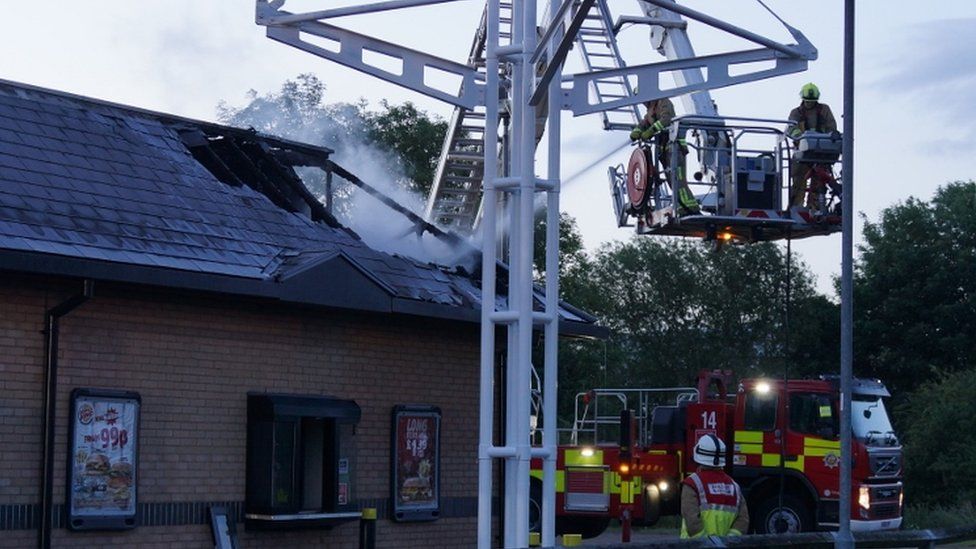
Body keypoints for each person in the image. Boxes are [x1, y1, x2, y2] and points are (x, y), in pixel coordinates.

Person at [630, 94, 700, 215]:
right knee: (672, 182)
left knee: (678, 180)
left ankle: (690, 208)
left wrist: (651, 131)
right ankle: (681, 206)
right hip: (665, 150)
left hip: (675, 147)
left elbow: (666, 119)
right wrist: (637, 131)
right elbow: (645, 122)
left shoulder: (663, 101)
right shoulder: (651, 110)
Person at [680, 434, 749, 538]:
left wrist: (706, 543)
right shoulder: (734, 487)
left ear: (698, 453)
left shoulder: (692, 484)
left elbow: (692, 520)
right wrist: (727, 542)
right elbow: (743, 520)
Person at [787, 83, 837, 208]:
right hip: (802, 153)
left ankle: (814, 208)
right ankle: (796, 207)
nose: (809, 103)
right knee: (799, 181)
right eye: (807, 101)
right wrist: (801, 137)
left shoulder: (824, 110)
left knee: (819, 181)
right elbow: (791, 128)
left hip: (821, 152)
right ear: (803, 99)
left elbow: (832, 128)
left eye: (812, 101)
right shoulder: (796, 113)